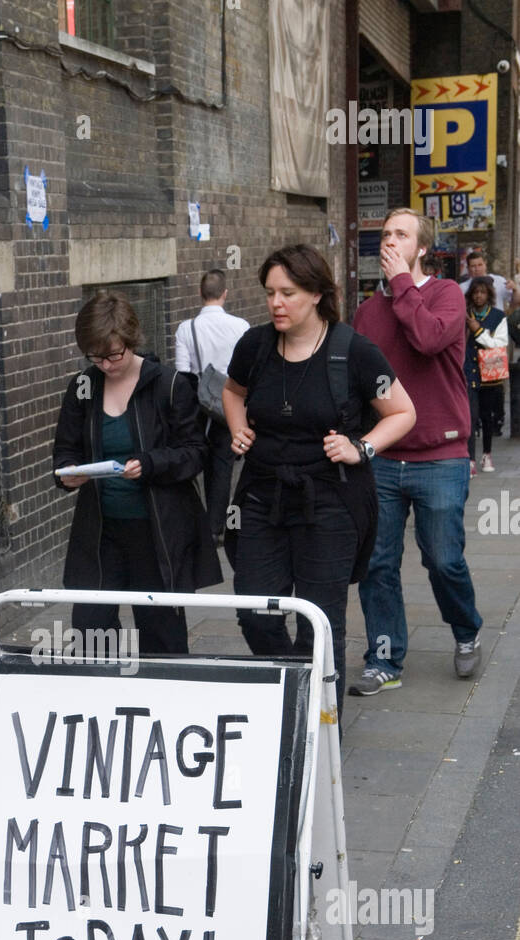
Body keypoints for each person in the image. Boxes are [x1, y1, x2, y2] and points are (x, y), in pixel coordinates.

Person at [222, 245, 415, 721]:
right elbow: (232, 391)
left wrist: (361, 447)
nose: (276, 303)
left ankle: (322, 730)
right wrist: (236, 426)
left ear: (316, 294)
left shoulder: (354, 352)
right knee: (254, 610)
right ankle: (292, 698)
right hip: (264, 495)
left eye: (288, 292)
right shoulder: (255, 345)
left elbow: (404, 412)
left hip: (330, 500)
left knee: (320, 620)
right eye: (269, 293)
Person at [350, 208, 483, 694]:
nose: (389, 241)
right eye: (385, 234)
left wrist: (403, 284)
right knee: (377, 563)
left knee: (443, 559)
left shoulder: (446, 295)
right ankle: (383, 660)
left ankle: (466, 631)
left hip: (441, 456)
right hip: (382, 458)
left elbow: (427, 339)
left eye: (401, 235)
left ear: (421, 249)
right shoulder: (368, 310)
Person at [53, 290, 221, 655]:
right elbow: (65, 450)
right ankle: (103, 701)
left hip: (157, 531)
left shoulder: (168, 384)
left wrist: (149, 463)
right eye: (96, 357)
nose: (107, 365)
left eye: (114, 354)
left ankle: (165, 703)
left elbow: (195, 453)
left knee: (160, 633)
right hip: (101, 532)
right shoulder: (83, 387)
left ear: (132, 341)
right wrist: (68, 474)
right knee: (90, 632)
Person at [174, 269, 250, 540]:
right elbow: (248, 370)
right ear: (225, 293)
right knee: (222, 466)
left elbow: (182, 373)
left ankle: (195, 522)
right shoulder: (241, 326)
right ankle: (215, 527)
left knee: (194, 461)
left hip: (198, 408)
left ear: (200, 293)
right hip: (229, 407)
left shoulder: (187, 328)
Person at [464, 276, 507, 474]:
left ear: (489, 295)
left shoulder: (498, 316)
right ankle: (470, 458)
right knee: (470, 417)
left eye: (482, 292)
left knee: (487, 416)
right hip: (468, 374)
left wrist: (478, 331)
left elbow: (499, 344)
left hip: (490, 375)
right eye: (475, 292)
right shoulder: (465, 315)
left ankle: (487, 454)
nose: (479, 296)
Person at [459, 249, 514, 314]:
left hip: (497, 321)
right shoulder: (462, 288)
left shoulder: (499, 280)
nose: (477, 269)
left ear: (485, 264)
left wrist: (515, 289)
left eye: (480, 265)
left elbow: (514, 301)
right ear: (468, 268)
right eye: (473, 266)